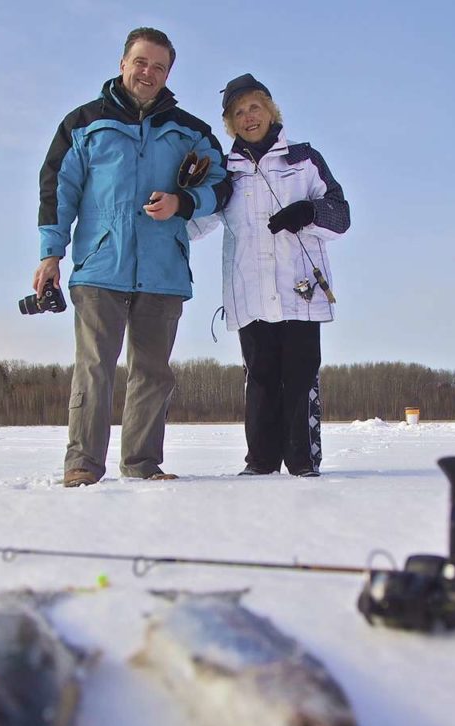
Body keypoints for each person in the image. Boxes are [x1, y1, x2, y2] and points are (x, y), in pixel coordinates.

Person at [35, 28, 229, 488]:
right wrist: (51, 253)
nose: (148, 72)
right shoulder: (83, 123)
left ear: (168, 74)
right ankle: (83, 464)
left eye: (159, 66)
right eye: (141, 62)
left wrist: (183, 202)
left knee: (152, 373)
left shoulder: (191, 131)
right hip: (100, 264)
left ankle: (142, 464)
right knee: (94, 368)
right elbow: (58, 188)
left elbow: (222, 184)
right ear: (123, 63)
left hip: (164, 269)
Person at [188, 74, 349, 477]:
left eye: (254, 107)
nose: (248, 117)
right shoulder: (224, 172)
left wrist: (308, 212)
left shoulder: (304, 159)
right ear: (230, 124)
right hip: (250, 294)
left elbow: (341, 215)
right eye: (238, 113)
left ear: (271, 110)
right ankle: (260, 463)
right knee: (259, 380)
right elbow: (197, 223)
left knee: (299, 377)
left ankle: (303, 461)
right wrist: (172, 206)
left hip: (300, 292)